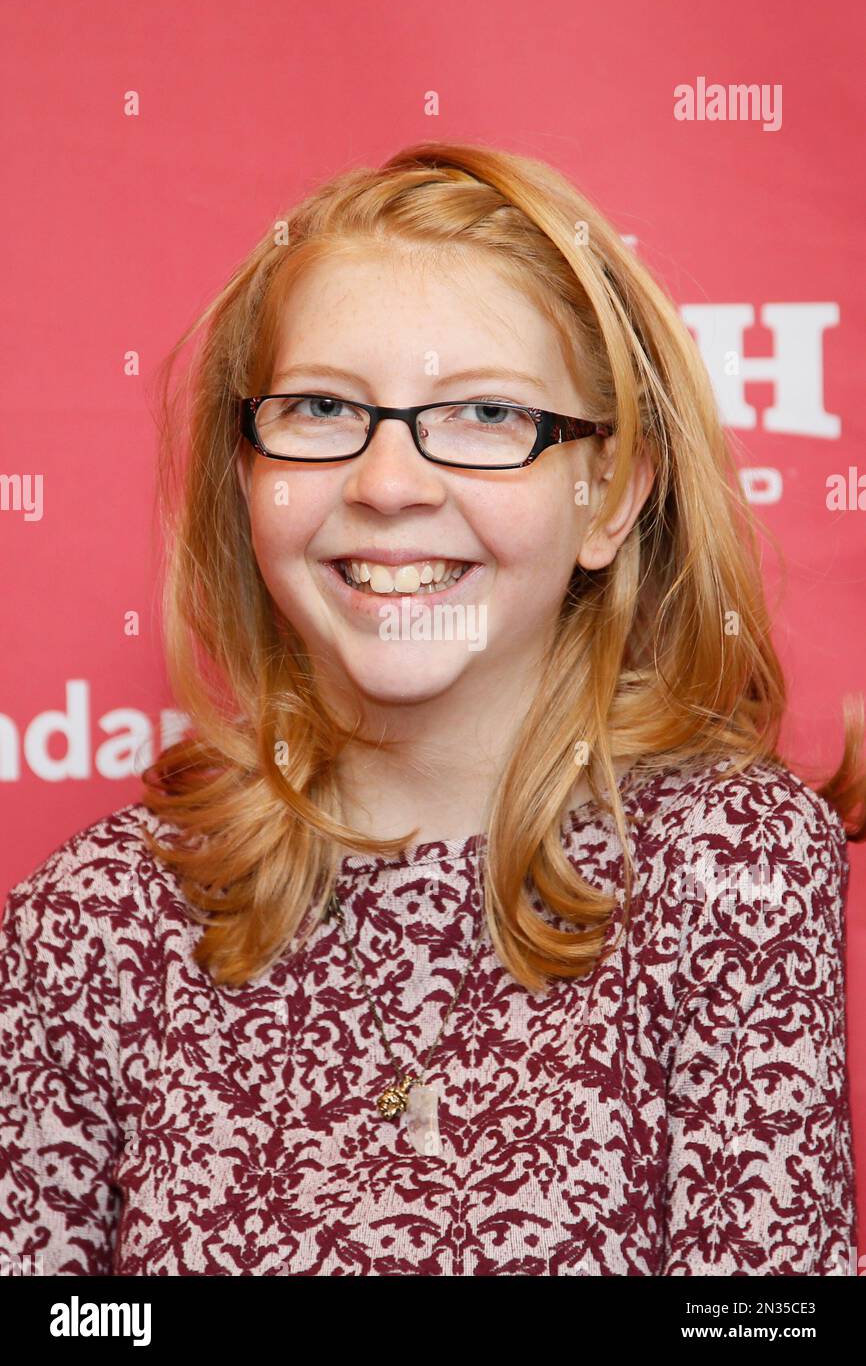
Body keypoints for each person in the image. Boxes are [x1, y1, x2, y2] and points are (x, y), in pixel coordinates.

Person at [1, 141, 863, 1277]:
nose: (390, 483)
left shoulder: (730, 872)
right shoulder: (89, 925)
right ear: (248, 479)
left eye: (482, 415)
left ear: (607, 495)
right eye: (320, 407)